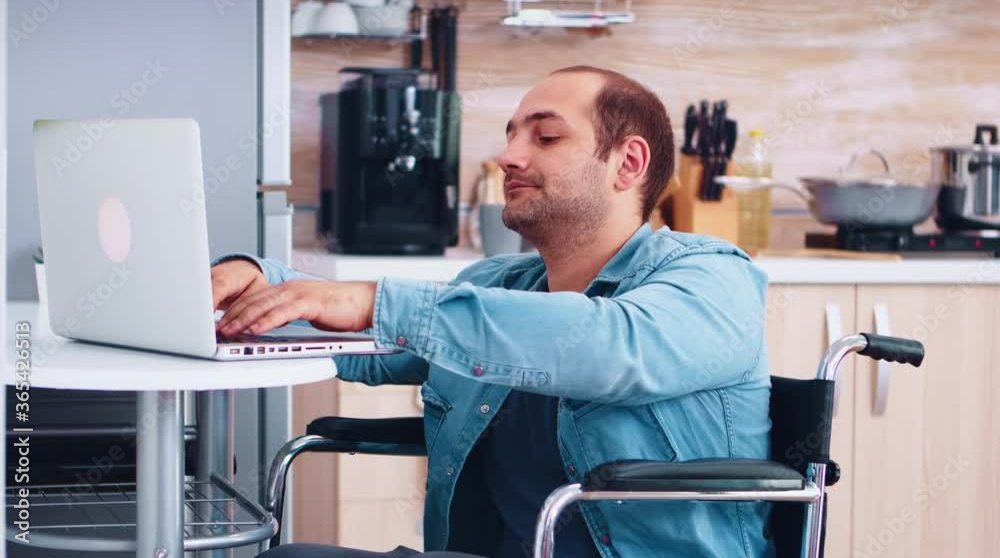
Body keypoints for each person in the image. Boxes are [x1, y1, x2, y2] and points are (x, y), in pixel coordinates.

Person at [212, 66, 773, 558]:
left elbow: (611, 348)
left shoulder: (713, 278)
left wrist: (374, 301)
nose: (508, 157)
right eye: (511, 136)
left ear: (628, 163)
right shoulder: (497, 287)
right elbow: (365, 340)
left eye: (546, 136)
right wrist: (260, 282)